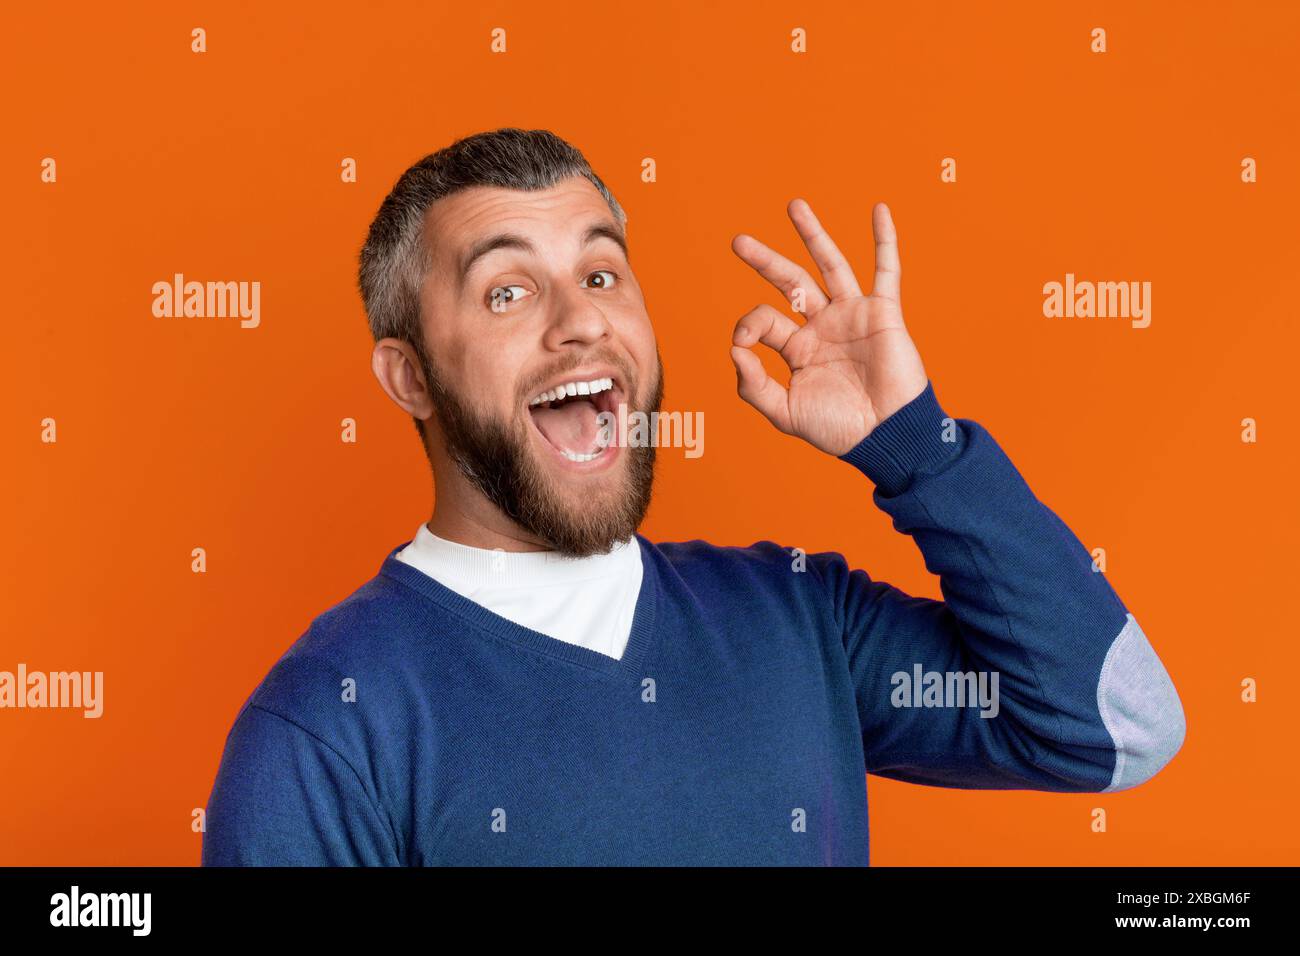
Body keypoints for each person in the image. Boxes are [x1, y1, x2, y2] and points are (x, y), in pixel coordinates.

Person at [201, 128, 1184, 866]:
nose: (580, 319)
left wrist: (915, 444)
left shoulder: (800, 619)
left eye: (600, 271)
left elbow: (1115, 727)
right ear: (408, 376)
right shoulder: (328, 726)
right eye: (508, 290)